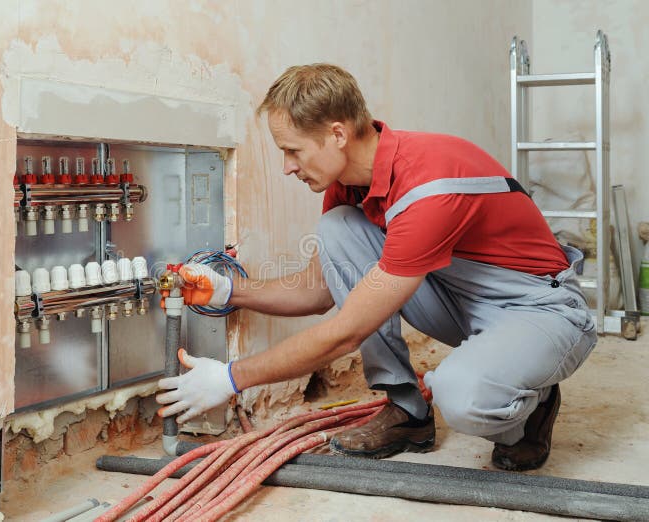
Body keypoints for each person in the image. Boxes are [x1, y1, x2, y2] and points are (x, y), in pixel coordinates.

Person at [156, 63, 597, 471]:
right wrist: (228, 291)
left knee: (463, 396)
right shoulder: (350, 184)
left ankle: (532, 404)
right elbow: (316, 290)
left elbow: (347, 331)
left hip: (540, 309)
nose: (287, 167)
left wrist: (231, 378)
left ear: (337, 134)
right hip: (463, 301)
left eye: (292, 151)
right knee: (339, 226)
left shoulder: (429, 186)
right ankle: (407, 411)